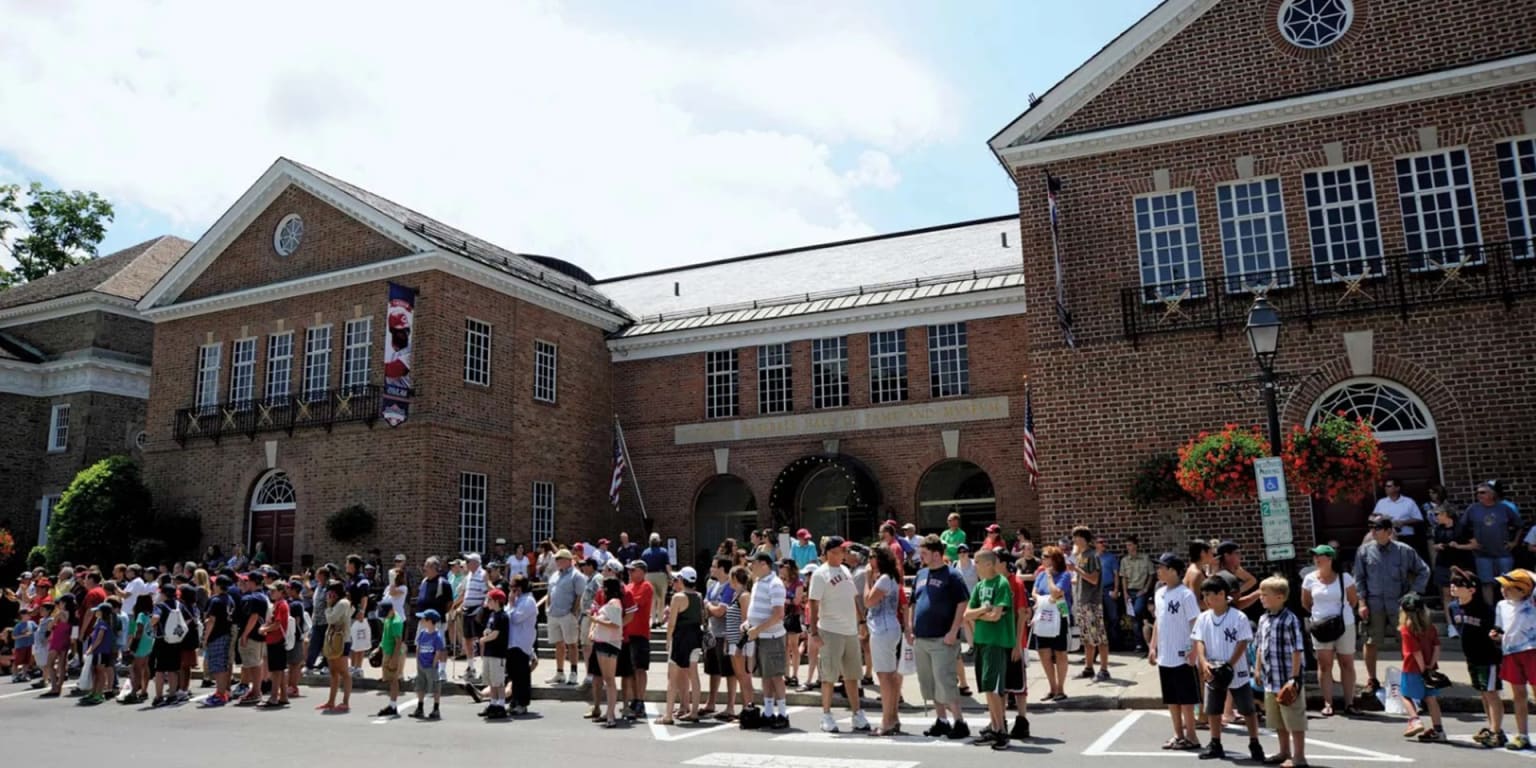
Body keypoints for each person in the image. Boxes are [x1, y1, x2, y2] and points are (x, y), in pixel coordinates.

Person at [1354, 515, 1429, 695]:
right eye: (1371, 528)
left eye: (1377, 528)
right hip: (1374, 603)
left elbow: (1423, 570)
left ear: (1389, 532)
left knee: (1406, 641)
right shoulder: (1364, 552)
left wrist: (1414, 594)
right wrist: (1361, 603)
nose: (1373, 532)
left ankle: (1410, 679)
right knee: (1370, 641)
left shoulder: (1404, 551)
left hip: (1399, 604)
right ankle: (1372, 679)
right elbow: (1359, 578)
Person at [1193, 577, 1262, 762]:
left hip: (1235, 669)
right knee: (1213, 709)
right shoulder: (1203, 617)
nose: (1206, 599)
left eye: (1209, 595)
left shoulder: (1238, 616)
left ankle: (1254, 742)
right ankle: (1215, 743)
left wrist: (1230, 663)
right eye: (1204, 595)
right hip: (1212, 668)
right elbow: (1199, 640)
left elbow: (1242, 641)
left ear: (1222, 594)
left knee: (1247, 708)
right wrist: (1203, 661)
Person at [808, 536, 870, 733]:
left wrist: (861, 621)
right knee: (829, 676)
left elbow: (853, 598)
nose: (843, 554)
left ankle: (857, 714)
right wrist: (814, 632)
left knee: (852, 676)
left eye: (843, 551)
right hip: (830, 630)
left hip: (849, 630)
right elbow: (813, 603)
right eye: (839, 551)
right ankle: (826, 714)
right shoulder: (820, 574)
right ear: (828, 553)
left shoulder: (844, 571)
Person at [912, 535, 971, 739]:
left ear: (936, 554)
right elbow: (914, 602)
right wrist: (911, 628)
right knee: (929, 682)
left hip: (942, 638)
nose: (921, 556)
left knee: (945, 680)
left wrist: (954, 631)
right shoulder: (920, 574)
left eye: (925, 553)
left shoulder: (952, 575)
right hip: (922, 637)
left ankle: (959, 722)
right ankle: (942, 720)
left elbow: (962, 603)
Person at [1300, 544, 1359, 717]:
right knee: (1325, 665)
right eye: (1315, 556)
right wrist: (1319, 615)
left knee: (1347, 663)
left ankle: (1349, 702)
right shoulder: (1309, 579)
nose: (1317, 559)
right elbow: (1306, 602)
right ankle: (1328, 703)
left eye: (1321, 556)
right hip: (1320, 625)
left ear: (1330, 558)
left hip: (1344, 623)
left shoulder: (1344, 578)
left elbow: (1353, 600)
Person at [1449, 568, 1505, 747]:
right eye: (1452, 583)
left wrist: (1495, 636)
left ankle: (1497, 732)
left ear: (1472, 590)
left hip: (1488, 656)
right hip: (1471, 656)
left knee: (1491, 693)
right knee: (1482, 692)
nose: (1453, 587)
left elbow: (1495, 629)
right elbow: (1460, 630)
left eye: (1458, 584)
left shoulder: (1484, 610)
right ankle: (1492, 727)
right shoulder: (1453, 607)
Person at [1255, 576, 1308, 766]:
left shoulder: (1290, 620)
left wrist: (1294, 677)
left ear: (1280, 597)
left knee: (1294, 719)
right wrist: (1258, 669)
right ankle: (1284, 751)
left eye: (1265, 594)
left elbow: (1296, 649)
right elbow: (1260, 646)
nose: (1261, 597)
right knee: (1277, 720)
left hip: (1287, 678)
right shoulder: (1263, 619)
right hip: (1271, 678)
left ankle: (1299, 756)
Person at [964, 548, 1014, 751]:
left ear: (988, 564)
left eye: (976, 562)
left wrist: (981, 614)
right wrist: (985, 610)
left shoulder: (1001, 583)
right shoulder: (979, 586)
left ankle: (1001, 730)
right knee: (986, 687)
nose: (974, 565)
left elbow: (997, 615)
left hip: (996, 641)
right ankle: (993, 727)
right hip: (981, 641)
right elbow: (967, 614)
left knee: (993, 688)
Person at [1151, 553, 1201, 751]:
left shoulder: (1185, 594)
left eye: (1162, 567)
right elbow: (1158, 621)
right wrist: (1153, 647)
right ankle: (1178, 734)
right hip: (1165, 655)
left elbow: (1195, 622)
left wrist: (1194, 650)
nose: (1158, 571)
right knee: (1171, 699)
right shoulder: (1159, 593)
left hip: (1183, 654)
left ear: (1172, 571)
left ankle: (1192, 736)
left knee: (1186, 699)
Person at [864, 545, 906, 736]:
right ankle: (893, 717)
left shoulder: (884, 578)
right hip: (888, 627)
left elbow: (868, 601)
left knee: (884, 677)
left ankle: (887, 720)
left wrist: (866, 579)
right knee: (890, 676)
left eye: (872, 557)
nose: (869, 560)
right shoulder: (890, 578)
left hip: (882, 629)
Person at [1494, 569, 1536, 750]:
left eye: (1509, 587)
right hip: (1510, 653)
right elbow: (1501, 627)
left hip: (1532, 651)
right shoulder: (1501, 605)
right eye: (1503, 586)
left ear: (1523, 590)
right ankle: (1522, 735)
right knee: (1518, 695)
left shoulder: (1533, 602)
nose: (1504, 590)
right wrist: (1496, 634)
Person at [1462, 482, 1524, 603]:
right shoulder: (1473, 509)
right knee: (1486, 583)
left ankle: (1506, 608)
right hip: (1482, 554)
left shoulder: (1504, 508)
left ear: (1492, 494)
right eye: (1477, 492)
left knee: (1506, 583)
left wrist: (1514, 542)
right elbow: (1462, 527)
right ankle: (1490, 612)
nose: (1478, 494)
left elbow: (1519, 525)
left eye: (1482, 492)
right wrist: (1471, 540)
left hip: (1503, 553)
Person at [1397, 593, 1446, 742]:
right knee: (1431, 698)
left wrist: (1423, 668)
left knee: (1405, 695)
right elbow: (1437, 646)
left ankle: (1414, 720)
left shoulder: (1406, 629)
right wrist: (1431, 665)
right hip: (1430, 668)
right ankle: (1439, 730)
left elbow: (1415, 652)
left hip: (1413, 668)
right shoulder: (1430, 627)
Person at [660, 567, 704, 724]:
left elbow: (671, 623)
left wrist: (667, 640)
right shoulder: (699, 596)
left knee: (673, 677)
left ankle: (668, 715)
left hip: (680, 638)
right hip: (695, 637)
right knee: (694, 675)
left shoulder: (678, 597)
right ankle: (694, 712)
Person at [1031, 545, 1072, 701]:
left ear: (1055, 559)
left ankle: (1061, 688)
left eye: (1046, 556)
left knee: (1060, 652)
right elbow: (1035, 592)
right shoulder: (1040, 574)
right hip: (1043, 615)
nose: (1042, 559)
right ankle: (1052, 687)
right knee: (1044, 651)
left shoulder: (1064, 575)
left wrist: (1049, 576)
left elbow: (1056, 593)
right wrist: (1040, 598)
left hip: (1059, 615)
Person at [1069, 526, 1109, 681]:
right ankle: (1088, 667)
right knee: (1086, 637)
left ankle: (1104, 669)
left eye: (1076, 537)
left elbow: (1094, 578)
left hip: (1092, 601)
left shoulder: (1092, 556)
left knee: (1099, 636)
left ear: (1082, 538)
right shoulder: (1080, 556)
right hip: (1082, 601)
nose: (1074, 540)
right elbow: (1081, 578)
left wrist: (1076, 570)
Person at [540, 549, 584, 686]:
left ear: (568, 560)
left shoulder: (576, 576)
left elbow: (579, 595)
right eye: (557, 559)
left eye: (560, 559)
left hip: (567, 614)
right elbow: (549, 592)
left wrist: (573, 612)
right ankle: (560, 673)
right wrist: (547, 607)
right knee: (558, 644)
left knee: (572, 644)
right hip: (553, 614)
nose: (557, 561)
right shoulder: (554, 575)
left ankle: (573, 672)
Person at [703, 557, 739, 718]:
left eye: (714, 566)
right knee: (713, 670)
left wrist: (710, 606)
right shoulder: (713, 585)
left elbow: (720, 611)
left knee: (729, 672)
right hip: (712, 632)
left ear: (722, 569)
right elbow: (707, 607)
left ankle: (730, 706)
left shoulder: (729, 588)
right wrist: (711, 607)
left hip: (725, 634)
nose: (711, 569)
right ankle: (711, 703)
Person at [589, 577, 626, 728]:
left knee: (610, 680)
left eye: (604, 587)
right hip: (601, 643)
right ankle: (608, 712)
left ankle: (611, 714)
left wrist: (595, 620)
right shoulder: (609, 603)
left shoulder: (614, 602)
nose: (601, 590)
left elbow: (615, 624)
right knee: (607, 679)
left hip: (609, 644)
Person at [1429, 504, 1469, 637]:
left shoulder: (1461, 527)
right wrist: (1438, 546)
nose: (1436, 517)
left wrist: (1458, 546)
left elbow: (1475, 544)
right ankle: (1451, 625)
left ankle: (1464, 622)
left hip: (1460, 563)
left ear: (1446, 514)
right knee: (1447, 595)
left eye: (1438, 514)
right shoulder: (1438, 529)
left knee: (1462, 593)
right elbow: (1434, 545)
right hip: (1443, 564)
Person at [624, 560, 655, 719]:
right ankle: (633, 699)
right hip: (627, 633)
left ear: (642, 572)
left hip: (640, 634)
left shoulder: (646, 586)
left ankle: (640, 700)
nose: (630, 572)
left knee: (640, 668)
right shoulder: (627, 587)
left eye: (633, 570)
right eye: (629, 570)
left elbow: (633, 604)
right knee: (630, 670)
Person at [725, 566, 757, 717]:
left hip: (741, 643)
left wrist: (740, 644)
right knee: (740, 676)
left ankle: (748, 709)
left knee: (744, 677)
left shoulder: (744, 596)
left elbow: (745, 621)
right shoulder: (736, 595)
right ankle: (745, 709)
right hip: (733, 642)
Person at [318, 582, 352, 712]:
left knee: (344, 672)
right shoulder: (336, 604)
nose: (328, 595)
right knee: (333, 671)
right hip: (332, 639)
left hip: (342, 640)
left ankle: (345, 702)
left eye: (330, 592)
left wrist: (328, 606)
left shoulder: (343, 603)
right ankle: (331, 701)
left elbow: (331, 619)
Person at [478, 588, 510, 719]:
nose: (488, 602)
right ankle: (493, 703)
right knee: (491, 680)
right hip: (489, 652)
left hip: (498, 653)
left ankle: (501, 705)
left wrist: (484, 639)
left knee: (498, 681)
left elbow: (496, 634)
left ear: (497, 601)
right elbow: (490, 629)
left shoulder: (502, 616)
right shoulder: (492, 615)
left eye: (490, 600)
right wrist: (486, 632)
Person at [258, 580, 291, 708]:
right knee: (280, 669)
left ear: (281, 592)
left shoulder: (281, 605)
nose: (270, 593)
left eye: (273, 591)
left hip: (276, 640)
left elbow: (277, 624)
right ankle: (283, 696)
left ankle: (273, 697)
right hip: (276, 640)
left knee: (276, 671)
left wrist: (263, 629)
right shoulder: (280, 604)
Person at [1119, 535, 1154, 653]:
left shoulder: (1145, 558)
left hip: (1141, 591)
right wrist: (1124, 593)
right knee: (1133, 618)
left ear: (1135, 545)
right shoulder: (1124, 560)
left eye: (1130, 545)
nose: (1128, 547)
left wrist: (1145, 589)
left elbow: (1151, 574)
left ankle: (1142, 641)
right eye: (1126, 545)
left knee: (1137, 612)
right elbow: (1123, 578)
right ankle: (1139, 643)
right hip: (1130, 591)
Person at [1374, 478, 1425, 555]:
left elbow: (1419, 518)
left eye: (1389, 486)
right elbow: (1374, 519)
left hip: (1406, 537)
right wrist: (1383, 519)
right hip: (1386, 537)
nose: (1386, 488)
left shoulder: (1409, 502)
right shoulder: (1381, 502)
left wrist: (1403, 522)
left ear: (1397, 488)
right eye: (1385, 486)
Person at [411, 608, 445, 720]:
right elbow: (418, 647)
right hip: (421, 664)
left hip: (431, 665)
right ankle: (420, 708)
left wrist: (434, 663)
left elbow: (438, 652)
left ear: (430, 621)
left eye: (423, 619)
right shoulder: (422, 634)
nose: (421, 620)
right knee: (420, 686)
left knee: (435, 687)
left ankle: (436, 709)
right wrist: (417, 661)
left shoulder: (437, 637)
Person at [375, 600, 406, 718]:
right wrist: (380, 647)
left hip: (393, 653)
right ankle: (392, 705)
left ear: (392, 610)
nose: (384, 616)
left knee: (393, 680)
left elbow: (398, 642)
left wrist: (394, 658)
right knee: (390, 679)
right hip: (387, 651)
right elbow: (385, 634)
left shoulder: (396, 622)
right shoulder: (389, 618)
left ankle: (393, 706)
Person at [1096, 535, 1123, 651]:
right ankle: (1102, 645)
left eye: (1104, 542)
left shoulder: (1111, 557)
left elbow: (1116, 574)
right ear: (1095, 544)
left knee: (1114, 617)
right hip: (1096, 591)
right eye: (1100, 542)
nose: (1103, 544)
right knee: (1100, 618)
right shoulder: (1092, 557)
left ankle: (1116, 643)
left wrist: (1116, 589)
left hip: (1109, 589)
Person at [642, 534, 672, 628]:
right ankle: (659, 620)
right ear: (659, 541)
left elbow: (643, 567)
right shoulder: (664, 551)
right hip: (661, 575)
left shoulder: (645, 553)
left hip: (648, 575)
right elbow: (667, 566)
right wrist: (670, 577)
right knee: (661, 598)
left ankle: (653, 620)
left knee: (652, 599)